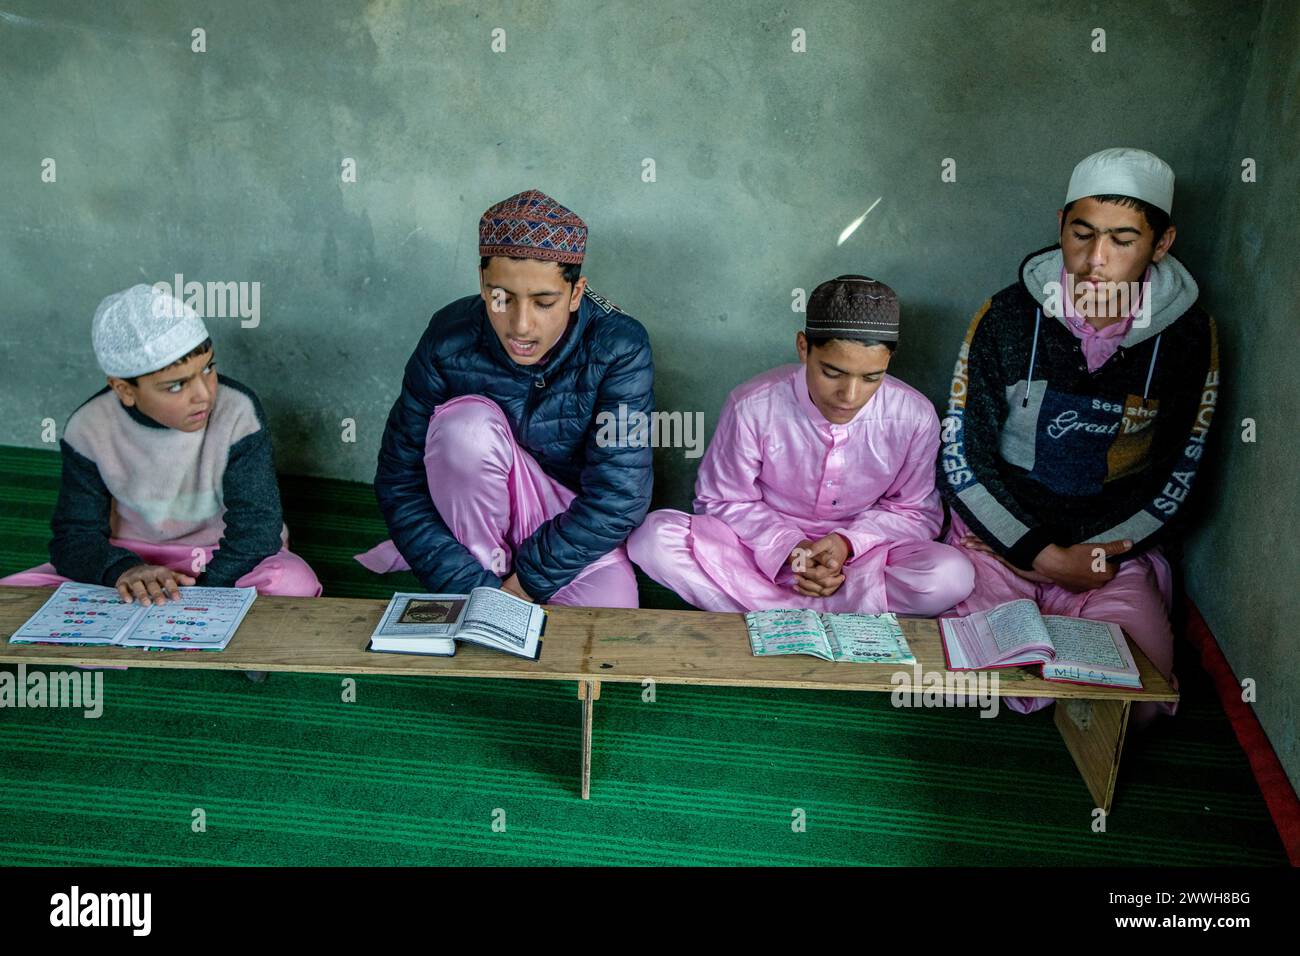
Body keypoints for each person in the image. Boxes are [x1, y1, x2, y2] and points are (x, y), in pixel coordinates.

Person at [938, 147, 1219, 726]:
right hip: (999, 543)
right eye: (1082, 233)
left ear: (1160, 244)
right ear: (1060, 227)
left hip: (1107, 556)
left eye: (1123, 239)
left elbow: (1181, 474)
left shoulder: (1190, 337)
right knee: (979, 680)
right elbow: (962, 455)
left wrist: (1087, 559)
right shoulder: (1006, 317)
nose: (1095, 259)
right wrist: (1035, 552)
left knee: (1131, 698)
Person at [357, 189, 654, 608]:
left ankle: (503, 588)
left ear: (575, 293)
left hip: (567, 525)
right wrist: (470, 584)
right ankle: (484, 573)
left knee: (609, 624)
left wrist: (524, 585)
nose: (521, 326)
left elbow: (620, 494)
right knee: (467, 429)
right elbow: (399, 480)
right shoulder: (449, 337)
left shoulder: (620, 346)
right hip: (470, 524)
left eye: (544, 302)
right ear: (481, 284)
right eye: (501, 298)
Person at [628, 275, 973, 615]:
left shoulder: (914, 415)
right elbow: (721, 499)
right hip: (762, 556)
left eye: (871, 378)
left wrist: (846, 545)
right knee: (653, 540)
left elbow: (917, 513)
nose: (850, 397)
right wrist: (791, 548)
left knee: (951, 576)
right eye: (833, 373)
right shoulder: (752, 405)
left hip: (860, 562)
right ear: (804, 348)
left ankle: (763, 612)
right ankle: (841, 612)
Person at [0, 283, 321, 604]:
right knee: (15, 597)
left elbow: (257, 529)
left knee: (292, 583)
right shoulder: (89, 428)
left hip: (223, 558)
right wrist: (124, 571)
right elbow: (74, 537)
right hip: (129, 562)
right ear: (124, 389)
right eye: (176, 385)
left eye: (208, 368)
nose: (204, 395)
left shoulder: (238, 409)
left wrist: (201, 594)